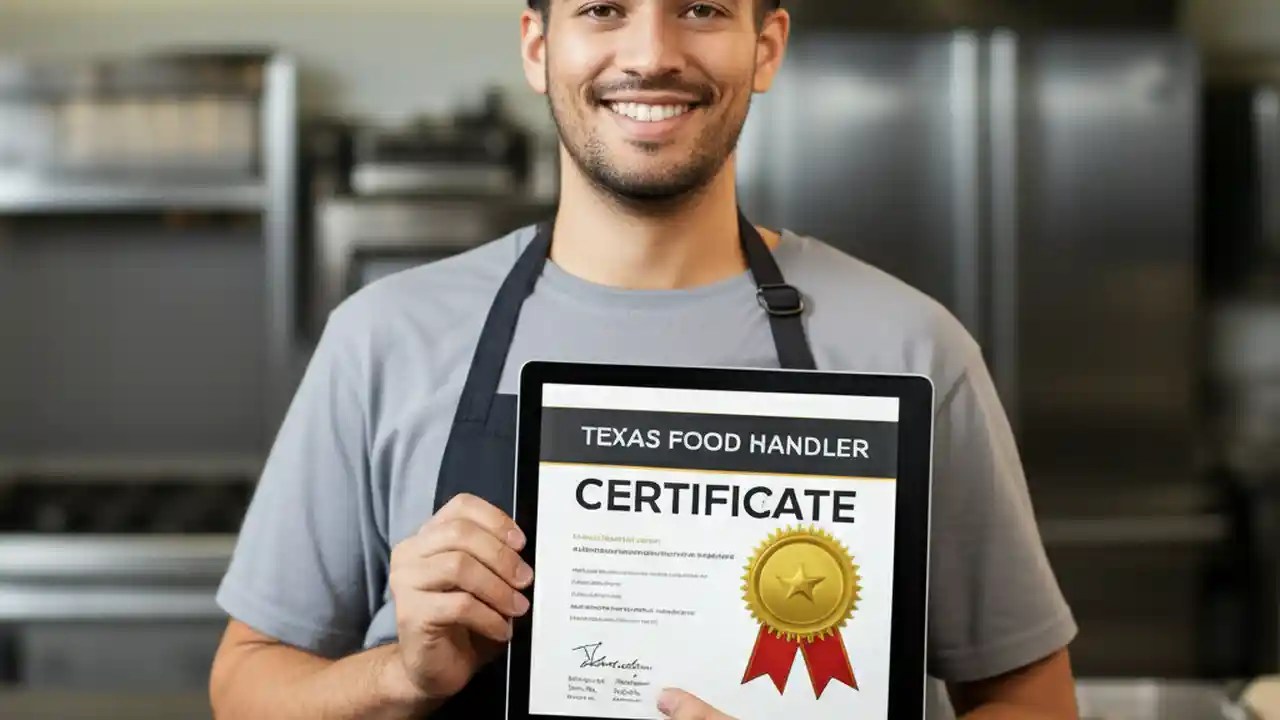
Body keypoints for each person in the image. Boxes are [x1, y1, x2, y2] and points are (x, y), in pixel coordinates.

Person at [207, 0, 1080, 718]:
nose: (652, 53)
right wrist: (402, 674)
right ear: (539, 46)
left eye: (700, 9)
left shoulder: (912, 347)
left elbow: (1031, 698)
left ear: (766, 46)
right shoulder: (383, 340)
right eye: (604, 10)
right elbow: (244, 684)